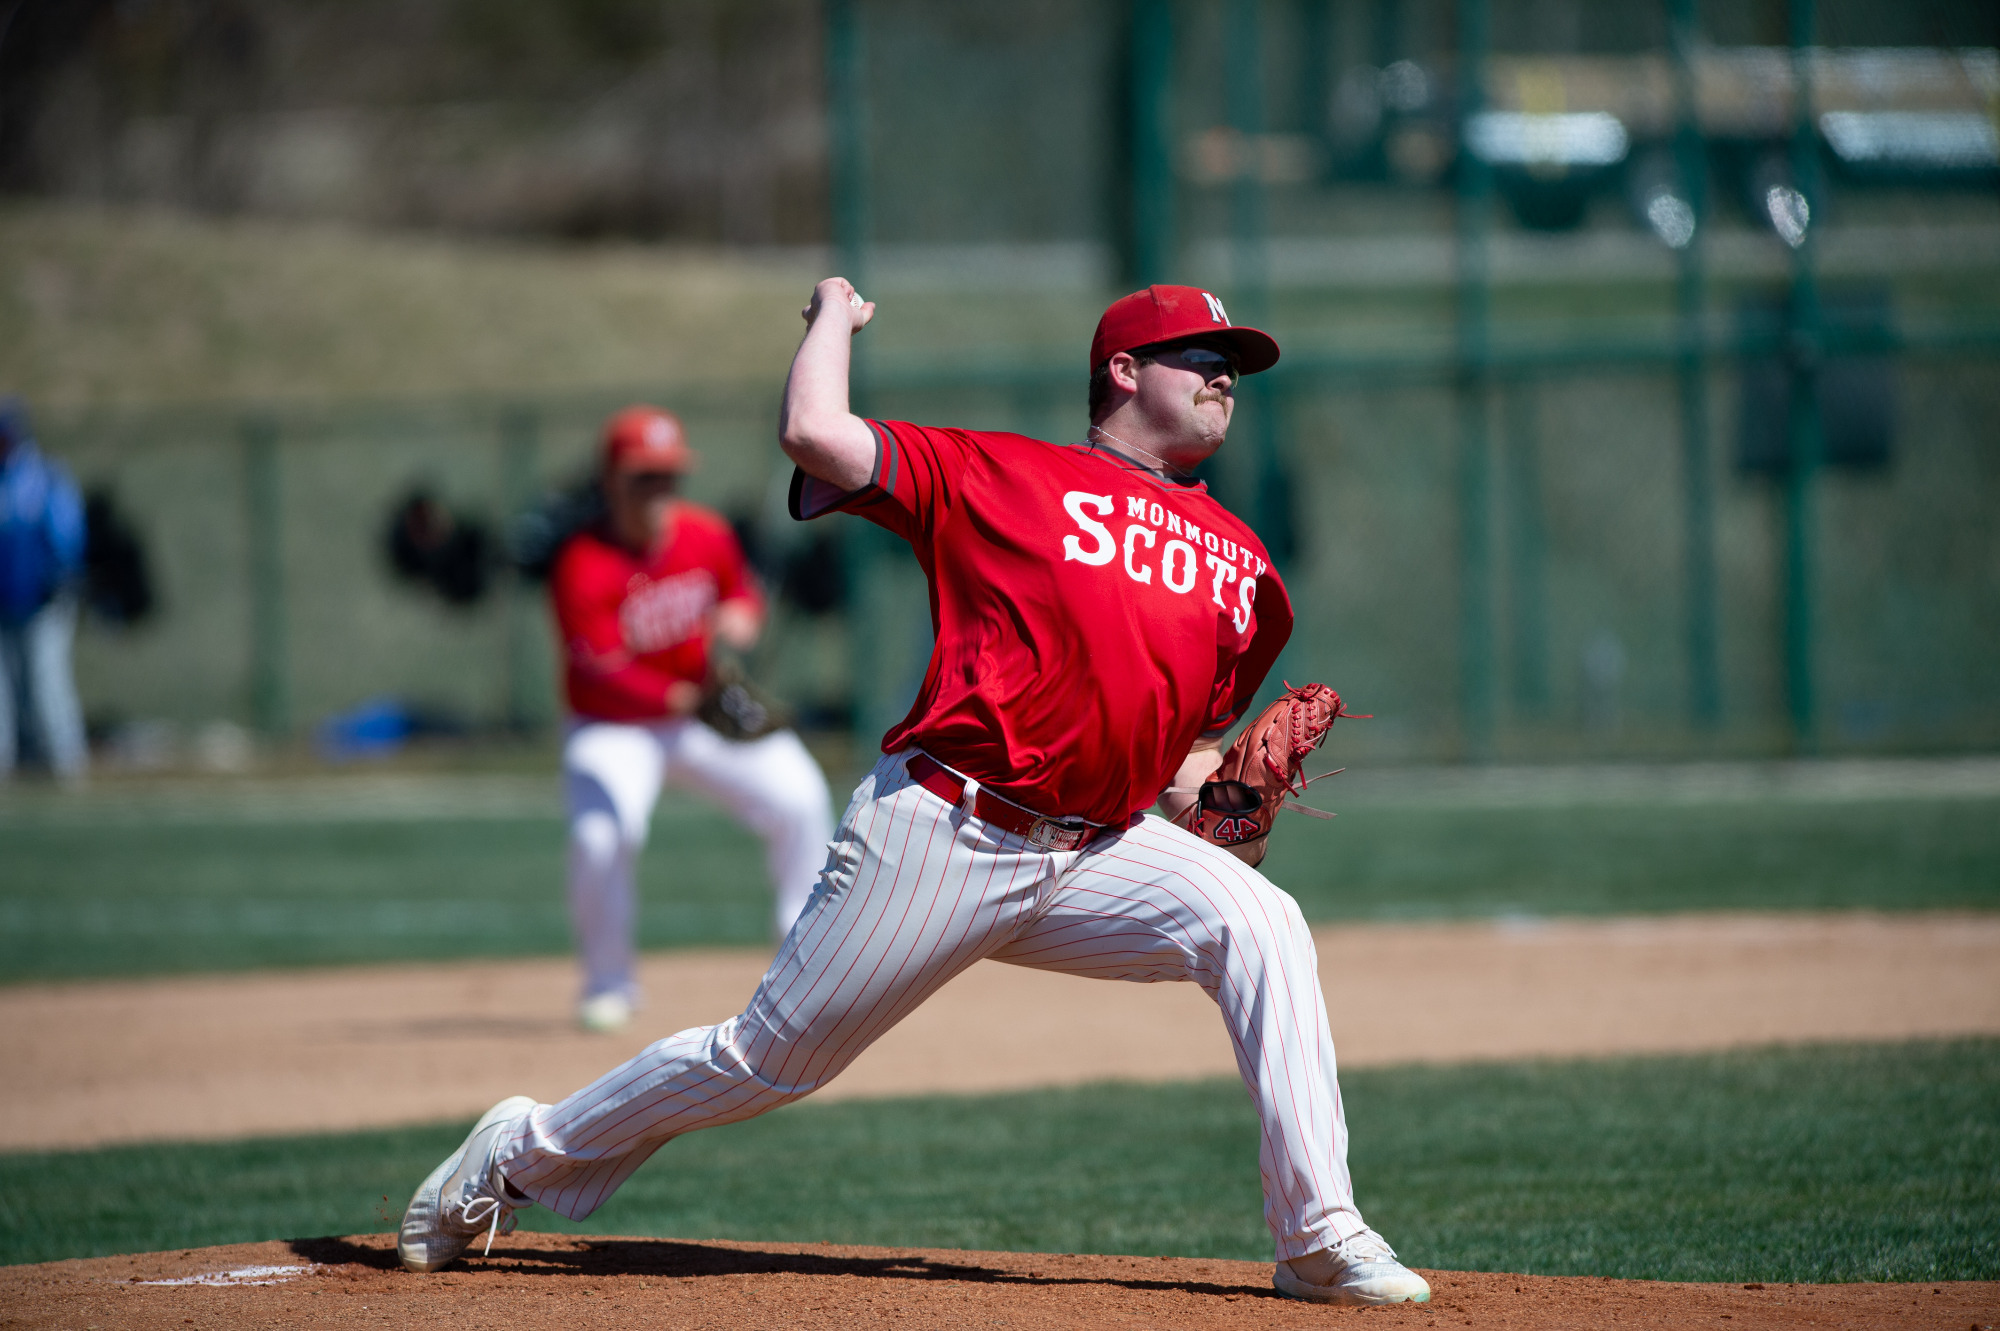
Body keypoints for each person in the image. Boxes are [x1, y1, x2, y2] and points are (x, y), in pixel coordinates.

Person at [397, 284, 1432, 1306]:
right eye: (1200, 354)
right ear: (1122, 369)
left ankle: (1317, 1235)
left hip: (1095, 849)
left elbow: (1179, 769)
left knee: (1260, 922)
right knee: (765, 1060)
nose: (1224, 376)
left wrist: (1228, 810)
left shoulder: (1243, 565)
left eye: (1235, 365)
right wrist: (830, 321)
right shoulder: (1005, 474)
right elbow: (815, 432)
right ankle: (519, 1150)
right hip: (947, 827)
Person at [548, 405, 834, 1032]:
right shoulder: (582, 562)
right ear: (611, 481)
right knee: (601, 836)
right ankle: (607, 983)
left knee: (801, 797)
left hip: (700, 714)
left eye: (668, 475)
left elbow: (740, 592)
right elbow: (605, 670)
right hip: (612, 727)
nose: (659, 490)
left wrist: (741, 616)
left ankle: (807, 965)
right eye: (643, 476)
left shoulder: (704, 534)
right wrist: (685, 698)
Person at [0, 397, 88, 782]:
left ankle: (65, 763)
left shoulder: (42, 477)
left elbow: (67, 533)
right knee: (5, 689)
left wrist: (60, 577)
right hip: (4, 601)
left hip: (42, 601)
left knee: (46, 680)